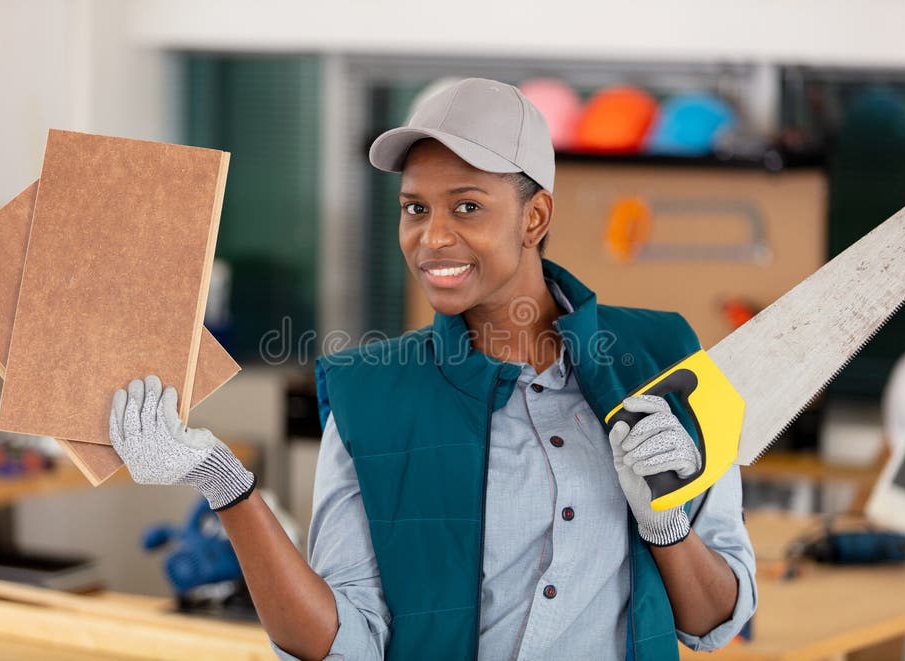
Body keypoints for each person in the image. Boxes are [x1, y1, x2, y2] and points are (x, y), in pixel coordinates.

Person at [109, 77, 757, 661]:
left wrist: (665, 525)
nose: (433, 237)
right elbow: (344, 644)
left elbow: (715, 621)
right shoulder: (371, 396)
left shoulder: (661, 359)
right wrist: (224, 484)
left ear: (534, 217)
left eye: (467, 206)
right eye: (415, 208)